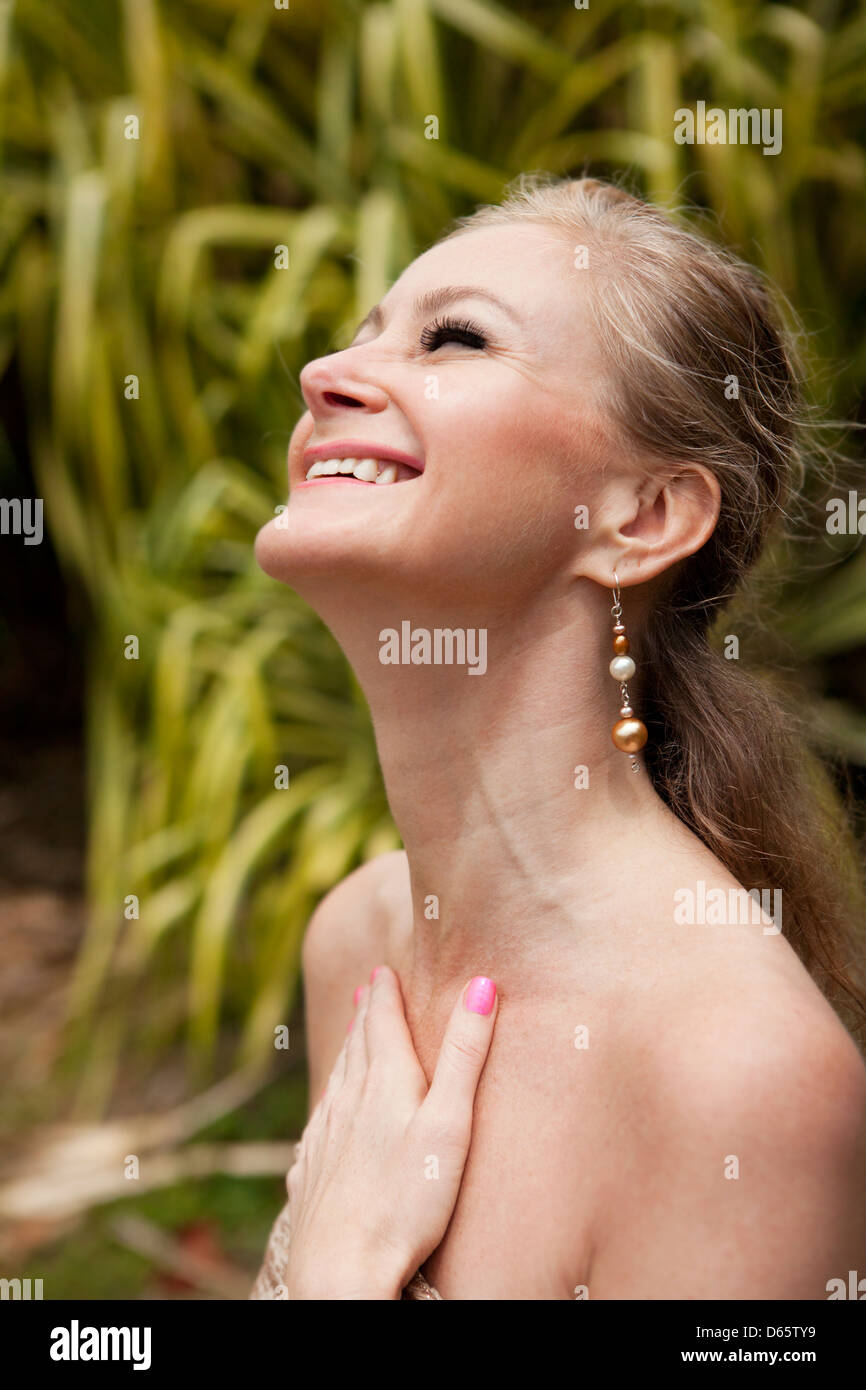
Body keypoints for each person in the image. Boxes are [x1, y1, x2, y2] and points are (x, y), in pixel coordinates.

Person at [251, 175, 866, 1300]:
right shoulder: (361, 939)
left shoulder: (739, 1078)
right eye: (360, 334)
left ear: (642, 518)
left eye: (452, 339)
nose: (324, 374)